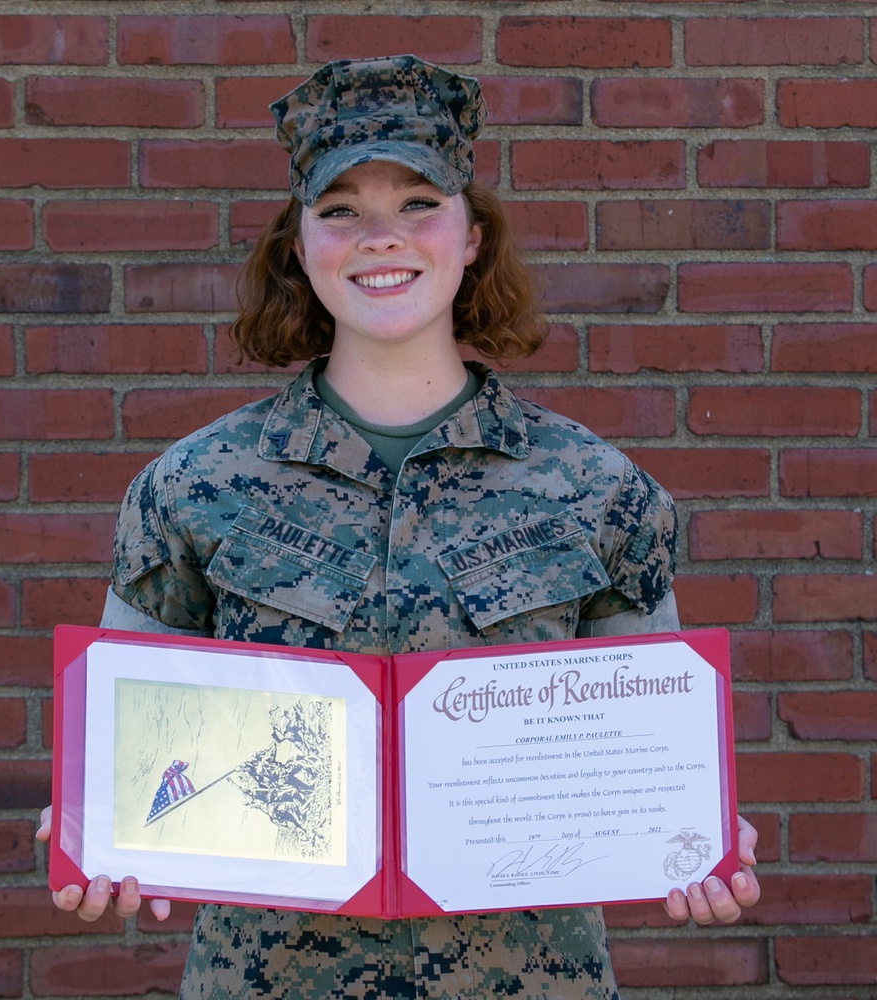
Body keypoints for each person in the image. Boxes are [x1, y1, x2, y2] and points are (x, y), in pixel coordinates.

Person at [38, 54, 759, 999]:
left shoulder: (593, 488)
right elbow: (129, 754)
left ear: (471, 238)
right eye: (340, 209)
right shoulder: (194, 485)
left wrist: (696, 829)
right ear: (300, 245)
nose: (382, 237)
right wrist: (97, 838)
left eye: (419, 201)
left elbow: (651, 751)